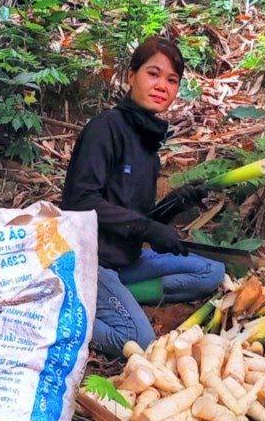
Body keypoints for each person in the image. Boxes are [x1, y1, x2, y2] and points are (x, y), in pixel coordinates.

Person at [62, 36, 224, 359]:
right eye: (153, 74)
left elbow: (136, 218)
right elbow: (80, 202)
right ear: (131, 75)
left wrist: (177, 203)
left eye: (172, 80)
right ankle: (63, 317)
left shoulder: (148, 148)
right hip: (92, 262)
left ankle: (122, 297)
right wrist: (149, 230)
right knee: (138, 338)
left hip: (128, 260)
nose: (162, 85)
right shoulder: (105, 129)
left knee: (213, 272)